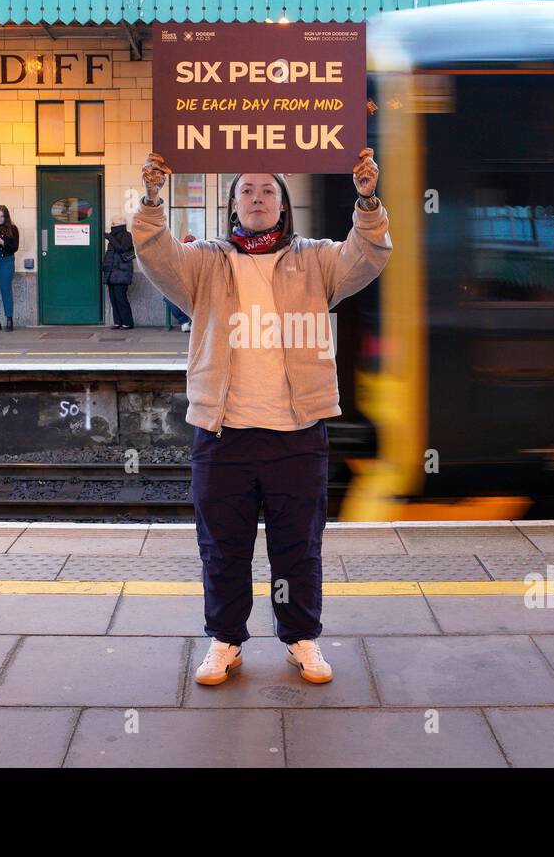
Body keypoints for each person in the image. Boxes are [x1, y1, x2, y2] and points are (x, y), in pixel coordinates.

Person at [133, 148, 390, 687]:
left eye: (268, 190)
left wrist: (366, 200)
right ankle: (225, 641)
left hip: (298, 432)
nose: (257, 198)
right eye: (246, 190)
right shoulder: (204, 261)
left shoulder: (317, 260)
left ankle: (301, 639)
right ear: (232, 206)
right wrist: (153, 199)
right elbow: (155, 253)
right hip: (222, 431)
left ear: (283, 205)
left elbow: (367, 256)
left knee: (299, 546)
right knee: (222, 546)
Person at [102, 222, 136, 329]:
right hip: (112, 273)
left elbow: (122, 248)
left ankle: (127, 322)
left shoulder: (127, 235)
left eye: (114, 222)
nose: (112, 223)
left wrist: (110, 238)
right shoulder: (112, 237)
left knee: (121, 298)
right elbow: (110, 255)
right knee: (113, 299)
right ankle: (118, 322)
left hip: (121, 272)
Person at [163, 233, 196, 331]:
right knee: (168, 296)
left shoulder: (201, 258)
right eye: (187, 245)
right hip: (182, 289)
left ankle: (195, 322)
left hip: (196, 289)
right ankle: (184, 321)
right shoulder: (179, 258)